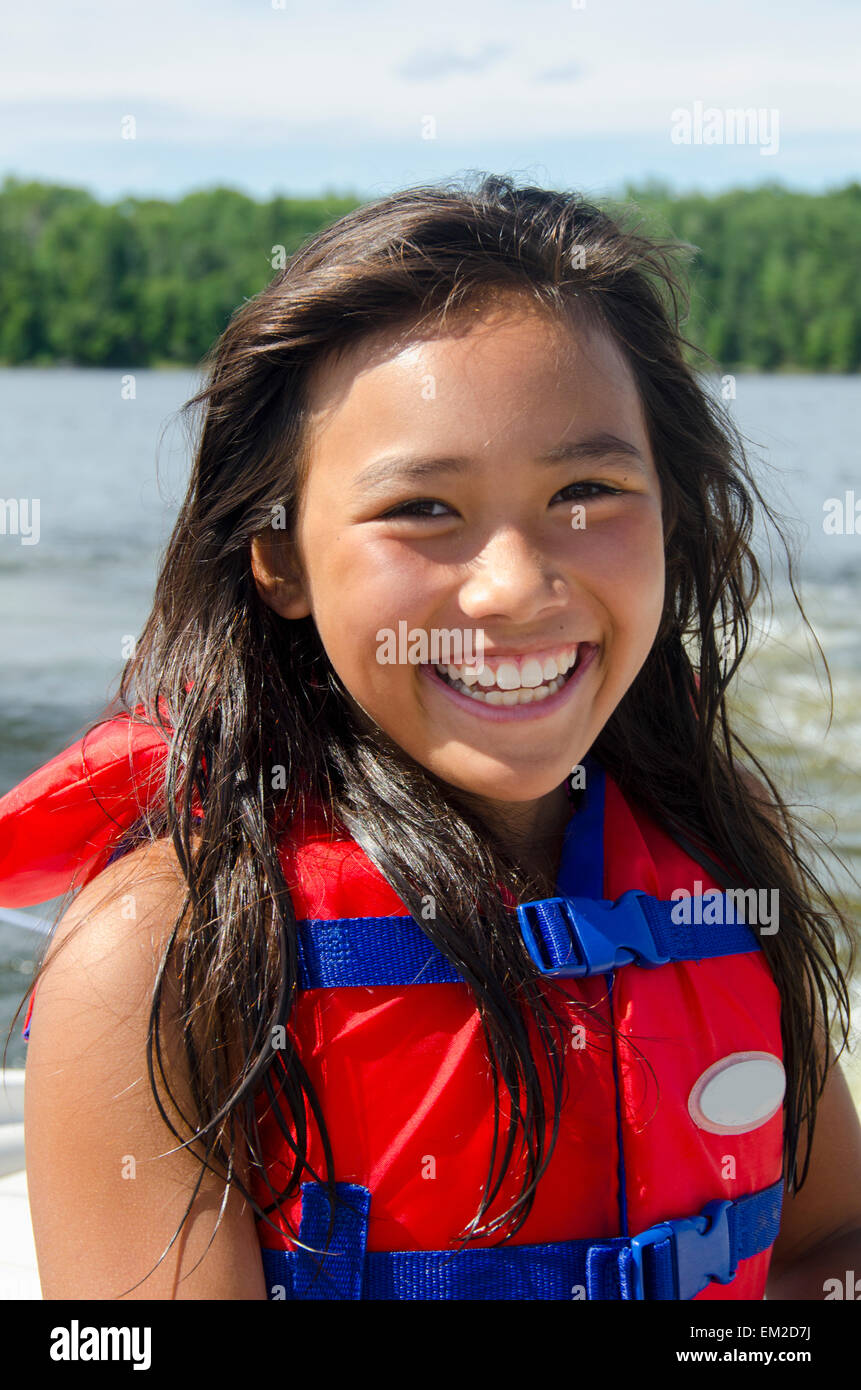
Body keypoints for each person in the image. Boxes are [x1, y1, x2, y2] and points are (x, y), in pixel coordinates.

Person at [4, 174, 860, 1301]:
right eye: (422, 509)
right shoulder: (161, 951)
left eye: (589, 489)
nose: (515, 586)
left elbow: (823, 1244)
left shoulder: (714, 836)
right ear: (281, 559)